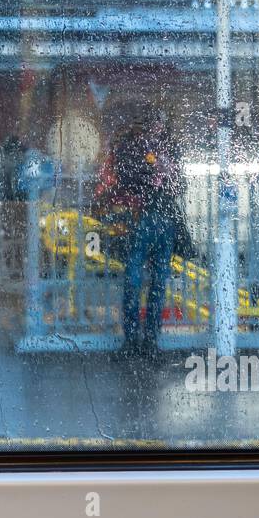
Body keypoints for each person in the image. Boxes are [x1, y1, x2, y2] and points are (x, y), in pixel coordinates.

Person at [96, 113, 187, 355]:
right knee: (133, 281)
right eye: (154, 124)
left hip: (164, 219)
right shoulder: (134, 148)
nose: (157, 129)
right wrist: (152, 171)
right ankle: (132, 338)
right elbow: (126, 179)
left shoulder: (171, 149)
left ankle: (149, 340)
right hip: (141, 217)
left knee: (157, 283)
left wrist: (168, 173)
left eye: (160, 124)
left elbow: (181, 185)